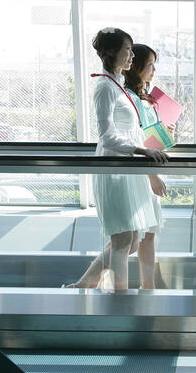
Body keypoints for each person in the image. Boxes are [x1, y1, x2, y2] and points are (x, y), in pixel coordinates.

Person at [65, 28, 167, 291]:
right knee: (123, 241)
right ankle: (119, 299)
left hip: (127, 169)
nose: (132, 55)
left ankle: (86, 284)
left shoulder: (118, 85)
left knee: (131, 240)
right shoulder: (104, 87)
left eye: (132, 50)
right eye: (127, 49)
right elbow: (107, 136)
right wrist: (142, 151)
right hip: (115, 168)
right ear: (111, 52)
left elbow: (131, 130)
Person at [122, 43, 178, 289]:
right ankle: (89, 282)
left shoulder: (146, 98)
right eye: (150, 64)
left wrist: (165, 132)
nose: (154, 69)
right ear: (137, 67)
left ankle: (148, 286)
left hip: (147, 168)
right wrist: (152, 175)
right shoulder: (131, 99)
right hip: (140, 174)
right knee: (130, 238)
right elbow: (137, 141)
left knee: (147, 234)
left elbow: (150, 138)